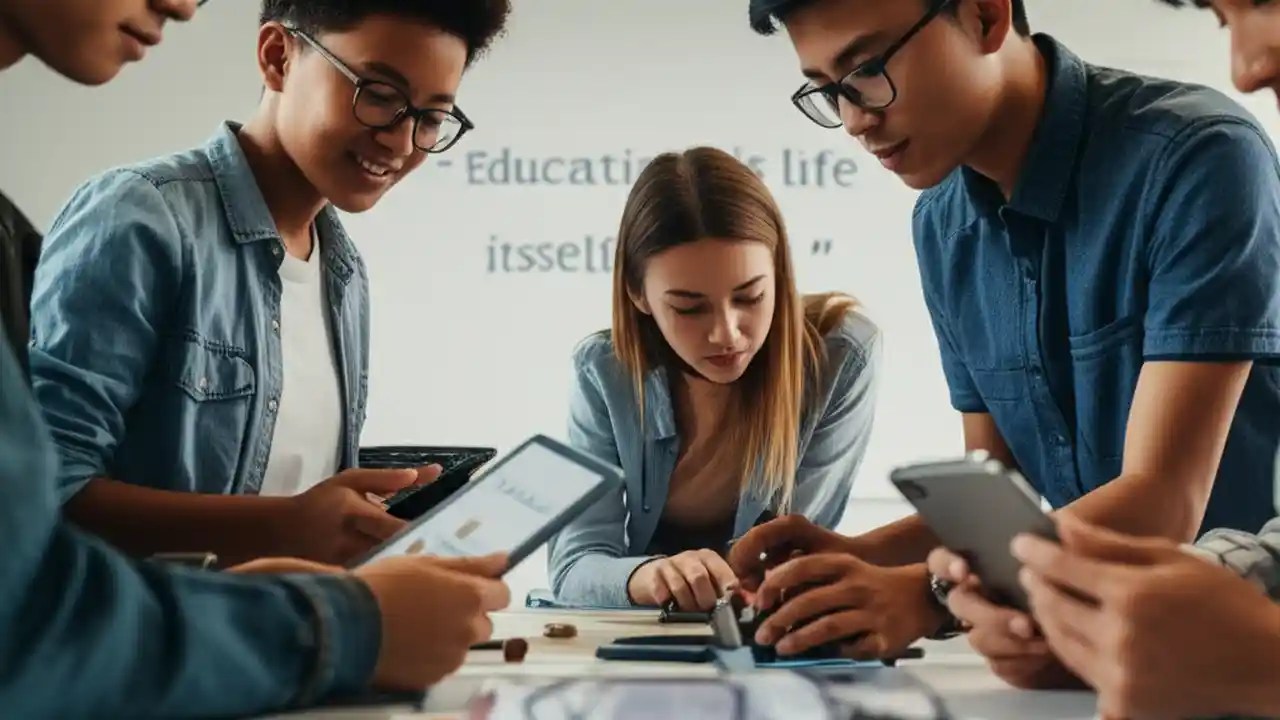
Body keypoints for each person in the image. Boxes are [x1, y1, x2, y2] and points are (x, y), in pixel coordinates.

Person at [729, 0, 1280, 677]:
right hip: (1079, 654)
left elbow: (1163, 501)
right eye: (827, 89)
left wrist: (931, 593)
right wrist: (853, 558)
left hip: (1238, 648)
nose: (853, 119)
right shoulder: (941, 222)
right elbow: (997, 502)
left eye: (867, 70)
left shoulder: (1197, 155)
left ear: (986, 16)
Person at [0, 1, 510, 717]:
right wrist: (279, 526)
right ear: (277, 56)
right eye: (379, 95)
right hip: (137, 681)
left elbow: (288, 494)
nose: (401, 141)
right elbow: (48, 502)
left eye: (431, 116)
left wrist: (355, 528)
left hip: (275, 677)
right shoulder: (142, 216)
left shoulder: (343, 267)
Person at [1001, 2, 1280, 718]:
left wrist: (1260, 664)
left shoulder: (1203, 153)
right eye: (1227, 20)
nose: (1248, 69)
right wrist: (1125, 613)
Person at [548, 147, 881, 610]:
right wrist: (650, 576)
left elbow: (800, 551)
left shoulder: (841, 355)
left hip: (766, 622)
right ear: (637, 293)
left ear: (780, 276)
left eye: (750, 297)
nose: (726, 333)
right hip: (640, 629)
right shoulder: (603, 371)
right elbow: (574, 567)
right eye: (689, 307)